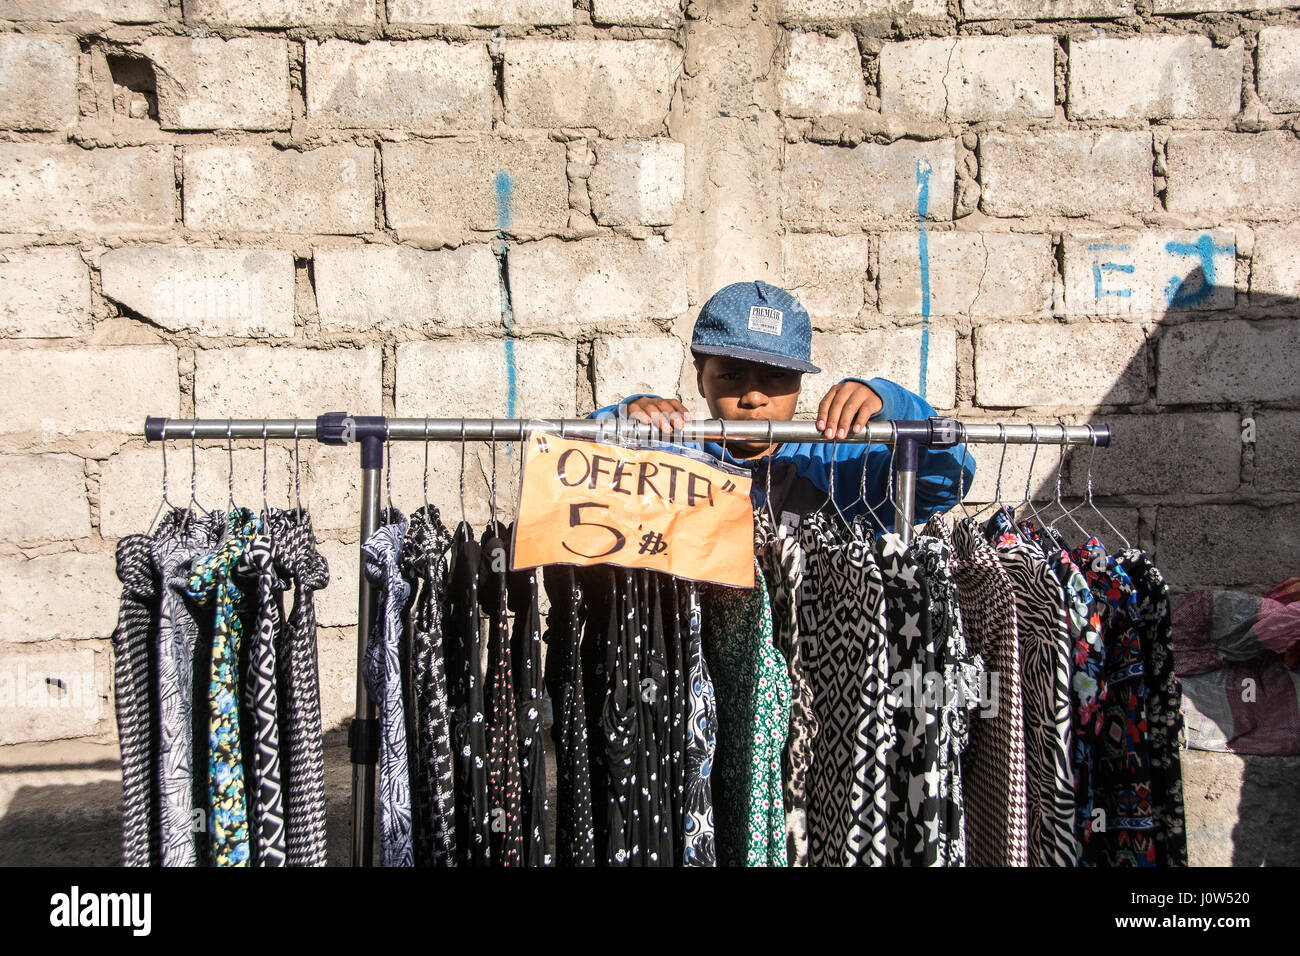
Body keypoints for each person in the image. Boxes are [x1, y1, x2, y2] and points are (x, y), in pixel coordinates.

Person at [590, 280, 975, 533]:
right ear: (700, 379)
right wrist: (625, 417)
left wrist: (893, 405)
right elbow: (581, 470)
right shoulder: (674, 453)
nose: (753, 397)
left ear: (799, 383)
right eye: (730, 376)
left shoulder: (837, 463)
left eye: (776, 377)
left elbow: (949, 479)